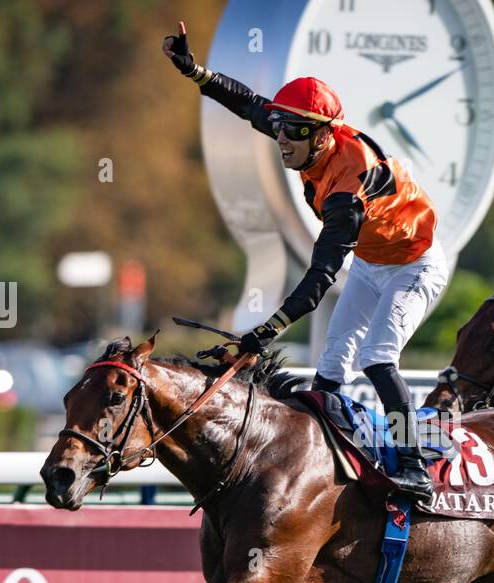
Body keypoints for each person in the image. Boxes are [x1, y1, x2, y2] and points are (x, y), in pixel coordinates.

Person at [163, 23, 449, 502]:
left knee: (377, 358)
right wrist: (196, 72)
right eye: (280, 128)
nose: (282, 139)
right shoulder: (300, 133)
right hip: (372, 262)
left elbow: (319, 279)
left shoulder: (348, 190)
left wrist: (265, 330)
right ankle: (325, 463)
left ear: (323, 135)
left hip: (415, 265)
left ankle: (416, 466)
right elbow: (249, 103)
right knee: (330, 370)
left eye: (294, 131)